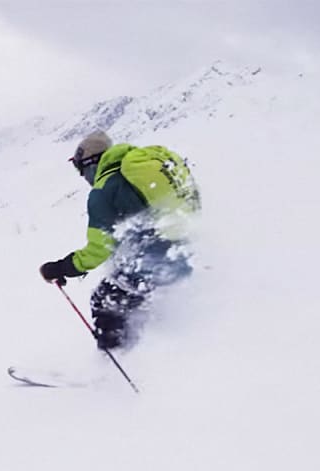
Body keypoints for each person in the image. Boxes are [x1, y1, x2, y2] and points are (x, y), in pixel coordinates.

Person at [39, 130, 201, 352]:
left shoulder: (104, 190)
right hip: (189, 253)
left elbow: (99, 249)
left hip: (157, 262)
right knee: (142, 306)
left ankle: (116, 367)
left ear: (91, 163)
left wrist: (61, 268)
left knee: (105, 301)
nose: (82, 175)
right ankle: (160, 358)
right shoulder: (137, 174)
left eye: (80, 168)